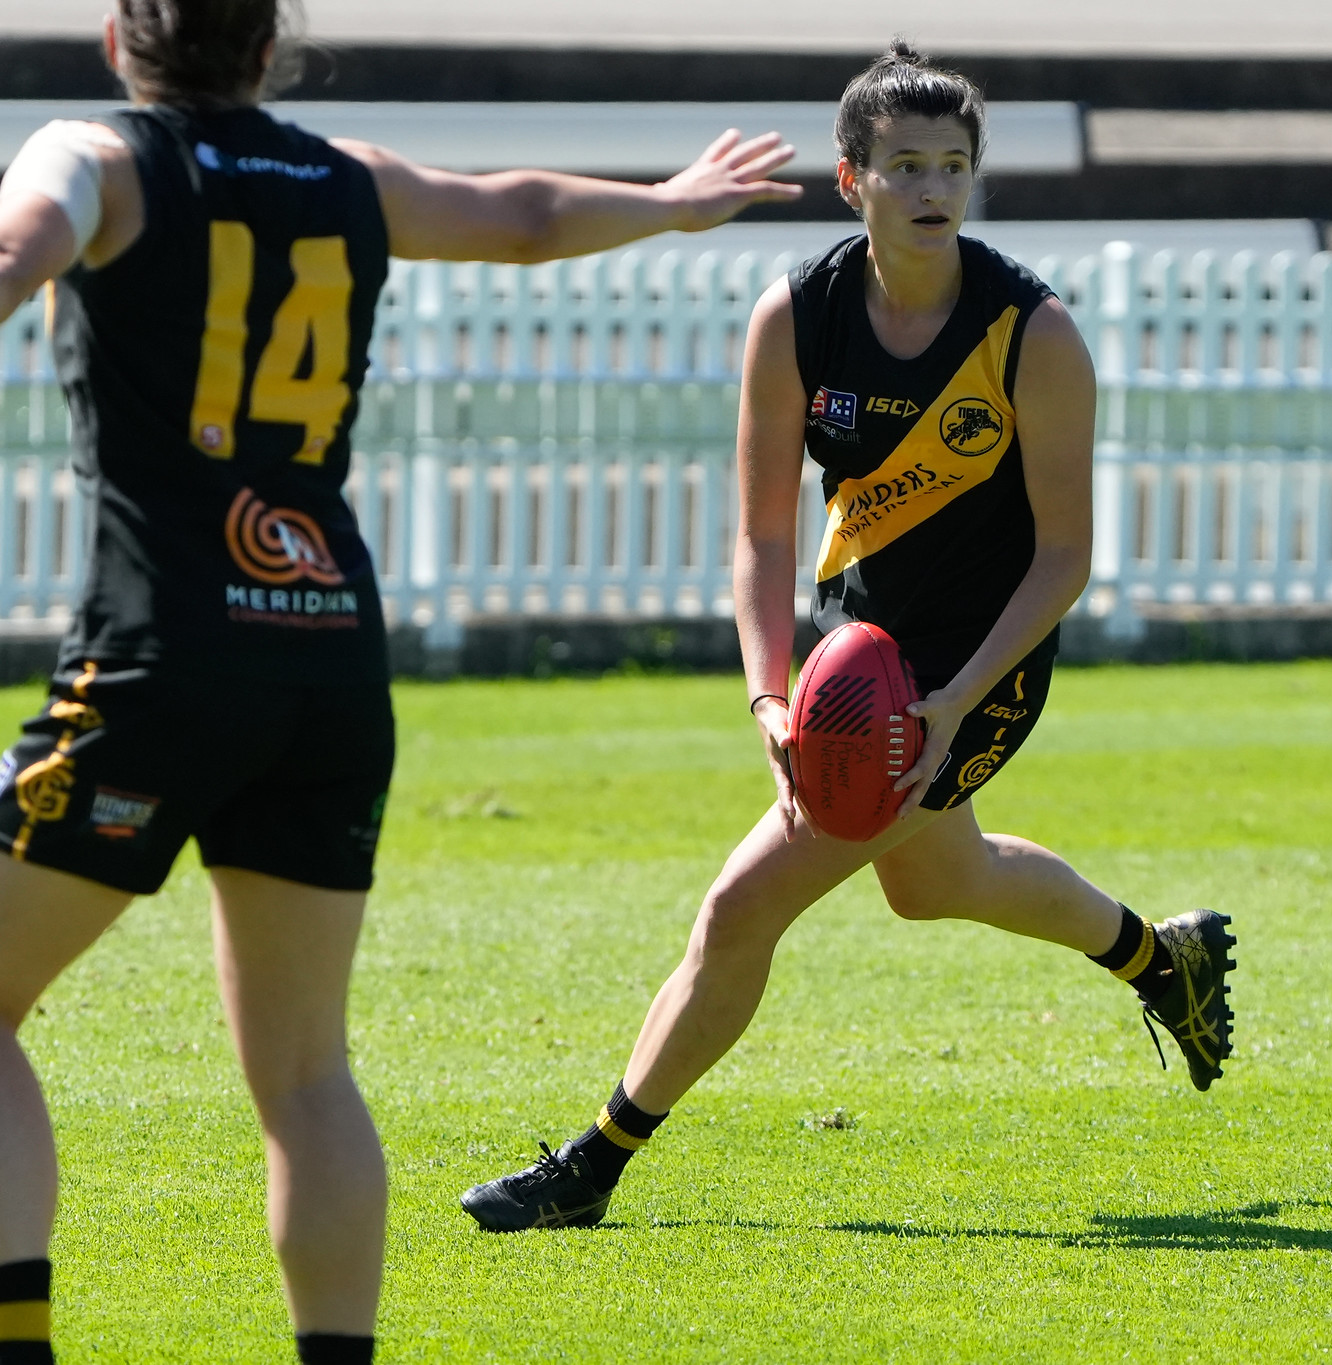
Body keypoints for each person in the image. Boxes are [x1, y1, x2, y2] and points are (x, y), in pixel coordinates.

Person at [0, 2, 800, 1359]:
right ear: (267, 51)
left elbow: (22, 247)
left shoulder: (95, 154)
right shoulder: (340, 175)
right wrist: (669, 204)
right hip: (325, 660)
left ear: (117, 45)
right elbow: (521, 214)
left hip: (162, 658)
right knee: (308, 1072)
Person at [460, 42, 1237, 1235]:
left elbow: (1063, 559)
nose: (933, 189)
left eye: (955, 167)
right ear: (850, 179)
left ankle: (592, 1166)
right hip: (856, 658)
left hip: (984, 663)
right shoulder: (801, 315)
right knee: (937, 886)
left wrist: (954, 702)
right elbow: (761, 538)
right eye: (905, 166)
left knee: (739, 909)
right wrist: (770, 700)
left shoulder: (1036, 334)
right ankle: (1158, 960)